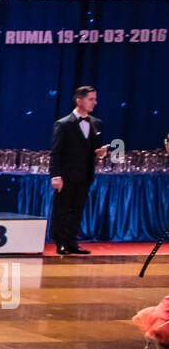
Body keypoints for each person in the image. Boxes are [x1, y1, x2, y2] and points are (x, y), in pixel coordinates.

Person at [49, 86, 108, 256]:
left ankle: (72, 242)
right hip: (66, 175)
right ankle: (60, 243)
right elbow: (56, 152)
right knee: (62, 209)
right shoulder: (63, 124)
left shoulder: (97, 123)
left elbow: (94, 149)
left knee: (77, 209)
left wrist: (101, 153)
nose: (95, 103)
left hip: (85, 174)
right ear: (79, 100)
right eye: (91, 99)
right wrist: (56, 175)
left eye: (95, 99)